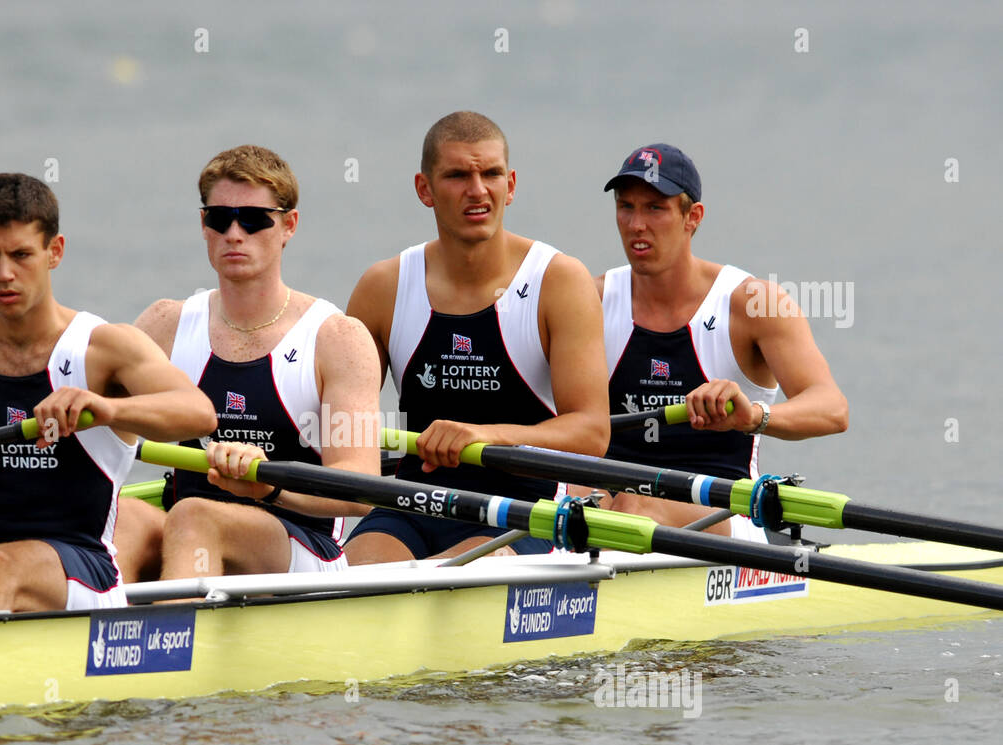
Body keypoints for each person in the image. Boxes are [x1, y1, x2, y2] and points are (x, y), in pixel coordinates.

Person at [0, 172, 216, 610]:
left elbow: (200, 413)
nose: (4, 274)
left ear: (55, 252)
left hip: (85, 569)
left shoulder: (102, 347)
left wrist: (105, 408)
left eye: (21, 255)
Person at [341, 111, 610, 564]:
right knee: (352, 573)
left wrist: (484, 436)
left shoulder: (559, 280)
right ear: (424, 190)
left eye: (491, 174)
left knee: (442, 577)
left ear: (512, 184)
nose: (478, 190)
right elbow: (339, 423)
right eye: (457, 176)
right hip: (415, 502)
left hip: (527, 509)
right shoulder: (382, 287)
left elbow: (592, 432)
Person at [117, 145, 381, 579]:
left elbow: (359, 488)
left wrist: (270, 485)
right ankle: (92, 631)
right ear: (204, 225)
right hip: (189, 528)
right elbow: (100, 441)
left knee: (195, 516)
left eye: (255, 220)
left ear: (288, 226)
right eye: (220, 219)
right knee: (124, 515)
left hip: (298, 543)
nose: (234, 234)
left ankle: (168, 639)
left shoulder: (336, 337)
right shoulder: (165, 324)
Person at [595, 143, 848, 538]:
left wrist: (753, 418)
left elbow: (832, 409)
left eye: (654, 208)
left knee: (630, 506)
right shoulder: (591, 301)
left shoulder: (753, 303)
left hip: (726, 514)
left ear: (692, 217)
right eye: (626, 207)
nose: (635, 225)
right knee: (589, 500)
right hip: (607, 507)